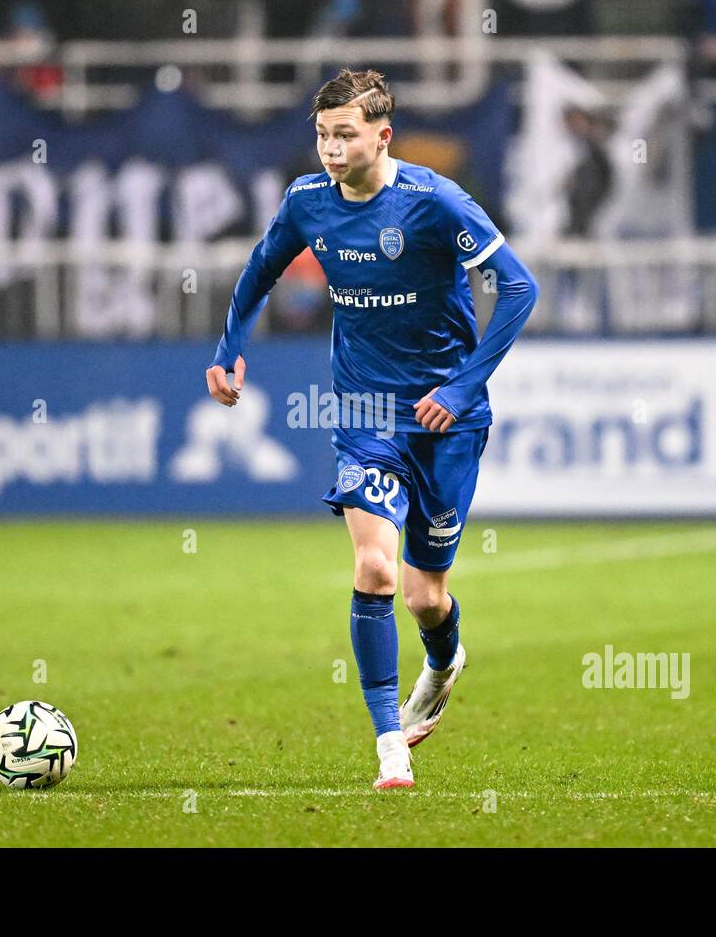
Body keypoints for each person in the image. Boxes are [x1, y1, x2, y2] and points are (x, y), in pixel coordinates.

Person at [205, 69, 538, 789]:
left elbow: (519, 287)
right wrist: (230, 346)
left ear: (381, 135)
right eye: (322, 134)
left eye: (344, 133)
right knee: (376, 570)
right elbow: (260, 272)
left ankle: (445, 657)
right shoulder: (306, 203)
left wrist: (463, 383)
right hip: (364, 415)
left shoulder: (434, 200)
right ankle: (389, 742)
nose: (330, 147)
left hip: (447, 421)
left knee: (426, 596)